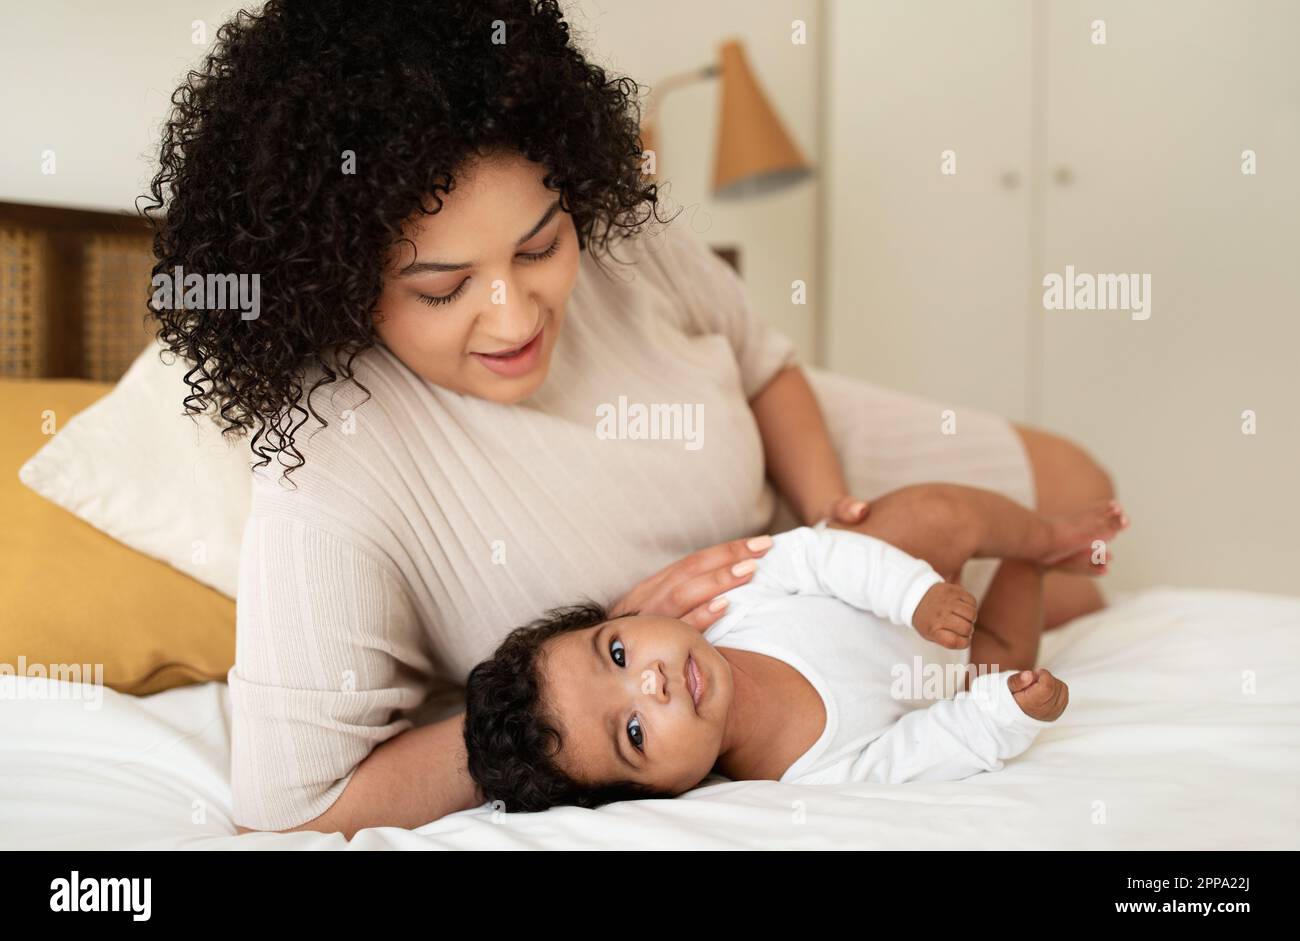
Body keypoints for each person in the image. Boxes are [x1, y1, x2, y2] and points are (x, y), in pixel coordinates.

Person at [145, 0, 1116, 838]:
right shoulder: (332, 465)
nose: (515, 315)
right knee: (1037, 598)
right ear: (341, 286)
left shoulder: (624, 236)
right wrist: (548, 713)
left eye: (540, 247)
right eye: (443, 289)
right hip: (747, 623)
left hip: (774, 488)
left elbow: (762, 363)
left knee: (1080, 491)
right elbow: (289, 812)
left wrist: (831, 513)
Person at [463, 484, 1126, 811]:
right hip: (954, 668)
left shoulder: (729, 606)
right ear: (660, 791)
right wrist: (1003, 712)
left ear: (627, 613)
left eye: (616, 653)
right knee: (1006, 660)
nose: (653, 682)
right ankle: (1037, 569)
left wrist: (915, 596)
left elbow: (816, 557)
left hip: (900, 582)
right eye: (634, 731)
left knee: (936, 513)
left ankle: (1040, 536)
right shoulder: (807, 776)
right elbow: (917, 752)